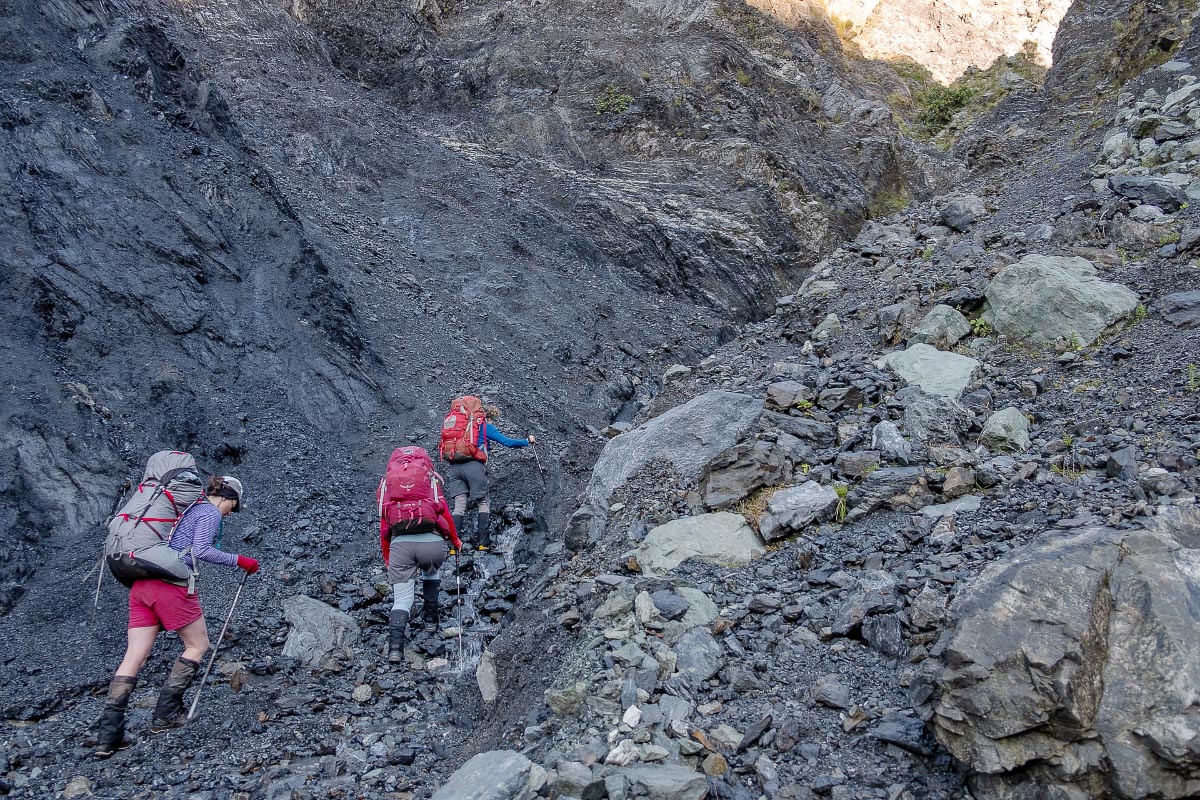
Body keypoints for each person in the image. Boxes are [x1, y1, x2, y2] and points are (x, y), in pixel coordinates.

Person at [95, 476, 259, 758]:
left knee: (134, 657)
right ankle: (166, 715)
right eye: (233, 506)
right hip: (169, 586)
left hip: (141, 584)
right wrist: (240, 560)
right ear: (227, 497)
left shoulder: (185, 508)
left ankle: (109, 736)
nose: (231, 513)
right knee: (198, 645)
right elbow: (201, 550)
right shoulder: (208, 512)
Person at [378, 447, 462, 663]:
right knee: (431, 571)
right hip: (432, 544)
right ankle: (431, 621)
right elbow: (444, 512)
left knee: (402, 600)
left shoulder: (388, 483)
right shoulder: (430, 479)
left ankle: (395, 650)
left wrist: (387, 557)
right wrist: (455, 541)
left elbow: (384, 526)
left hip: (401, 546)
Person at [444, 402, 535, 551]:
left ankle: (454, 546)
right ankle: (483, 543)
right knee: (483, 502)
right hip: (474, 466)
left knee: (459, 506)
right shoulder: (485, 426)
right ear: (488, 417)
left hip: (454, 467)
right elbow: (507, 442)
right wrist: (527, 441)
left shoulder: (461, 427)